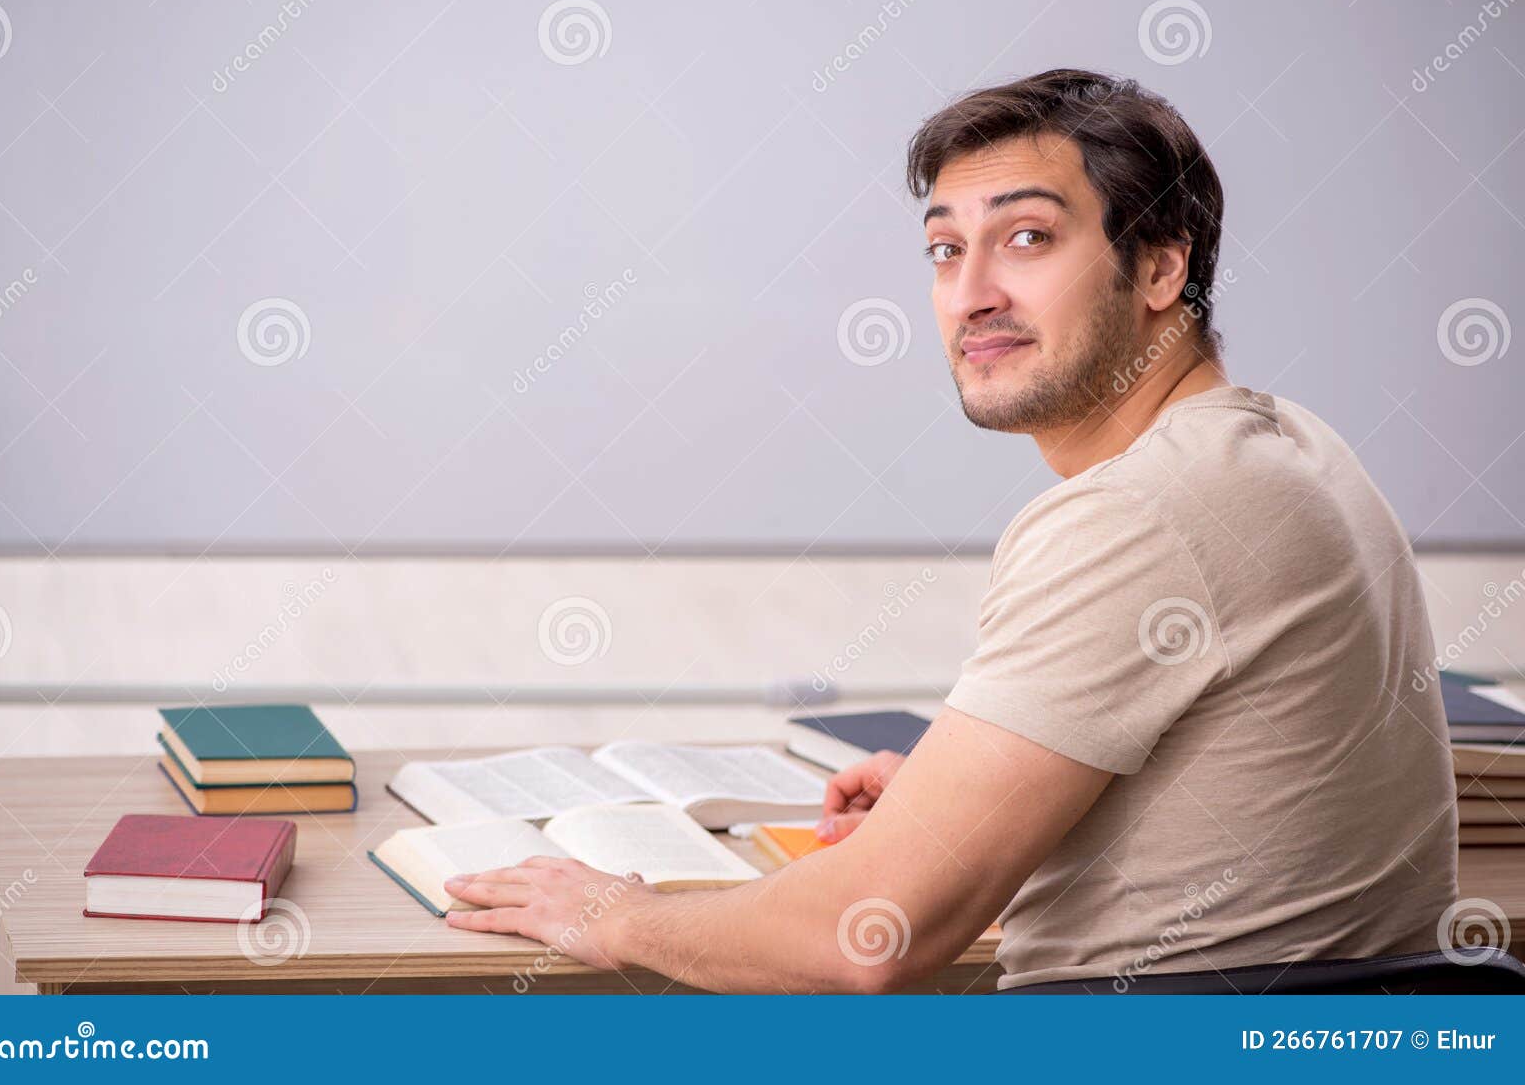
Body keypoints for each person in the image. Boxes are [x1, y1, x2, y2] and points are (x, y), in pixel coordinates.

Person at [444, 69, 1460, 992]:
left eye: (1026, 238)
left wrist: (618, 914)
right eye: (944, 249)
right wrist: (951, 796)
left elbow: (862, 938)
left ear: (1159, 271)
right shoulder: (1291, 445)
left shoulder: (1138, 514)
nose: (971, 295)